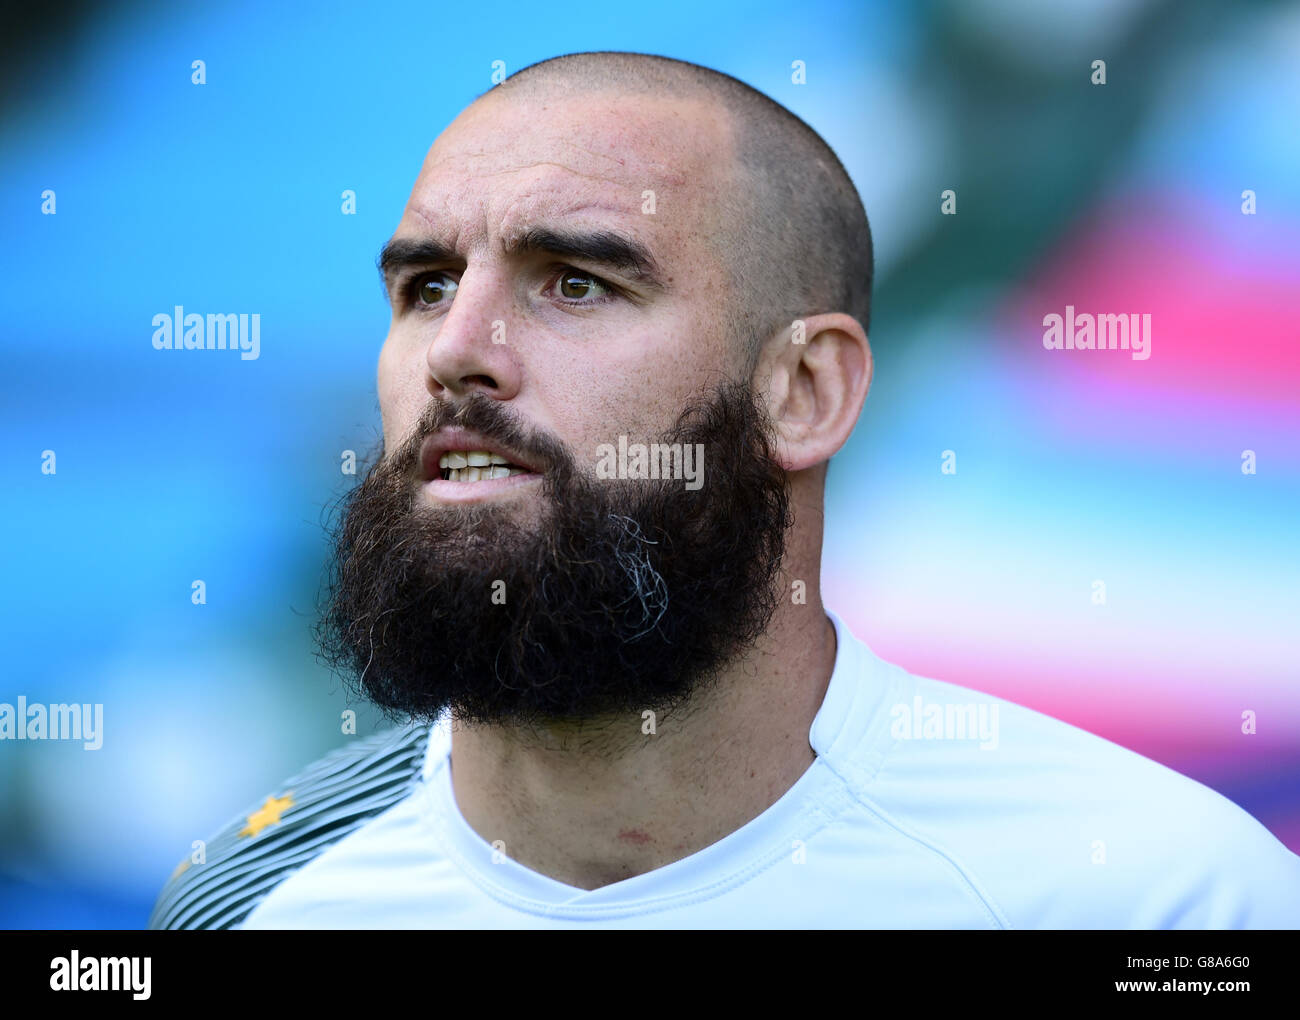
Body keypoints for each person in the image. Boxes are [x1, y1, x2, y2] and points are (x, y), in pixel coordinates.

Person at [148, 51, 1300, 929]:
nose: (461, 347)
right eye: (428, 286)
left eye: (579, 284)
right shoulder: (255, 896)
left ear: (805, 391)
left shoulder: (1163, 899)